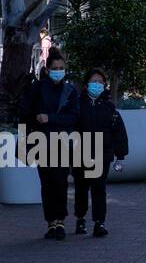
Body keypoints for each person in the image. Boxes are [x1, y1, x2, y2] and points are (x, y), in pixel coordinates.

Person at [18, 49, 80, 240]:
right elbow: (25, 113)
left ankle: (60, 221)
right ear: (47, 69)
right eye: (55, 68)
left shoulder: (69, 91)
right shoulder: (37, 88)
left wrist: (50, 118)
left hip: (62, 142)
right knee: (47, 183)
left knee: (60, 182)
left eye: (61, 68)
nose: (58, 71)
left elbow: (73, 117)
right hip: (40, 142)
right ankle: (51, 222)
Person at [72, 69, 128, 237]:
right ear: (86, 84)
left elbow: (119, 131)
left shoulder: (109, 107)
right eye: (93, 81)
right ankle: (80, 219)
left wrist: (120, 155)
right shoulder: (77, 105)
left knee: (99, 189)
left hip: (101, 153)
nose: (97, 85)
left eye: (100, 82)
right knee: (81, 188)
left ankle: (99, 222)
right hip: (80, 152)